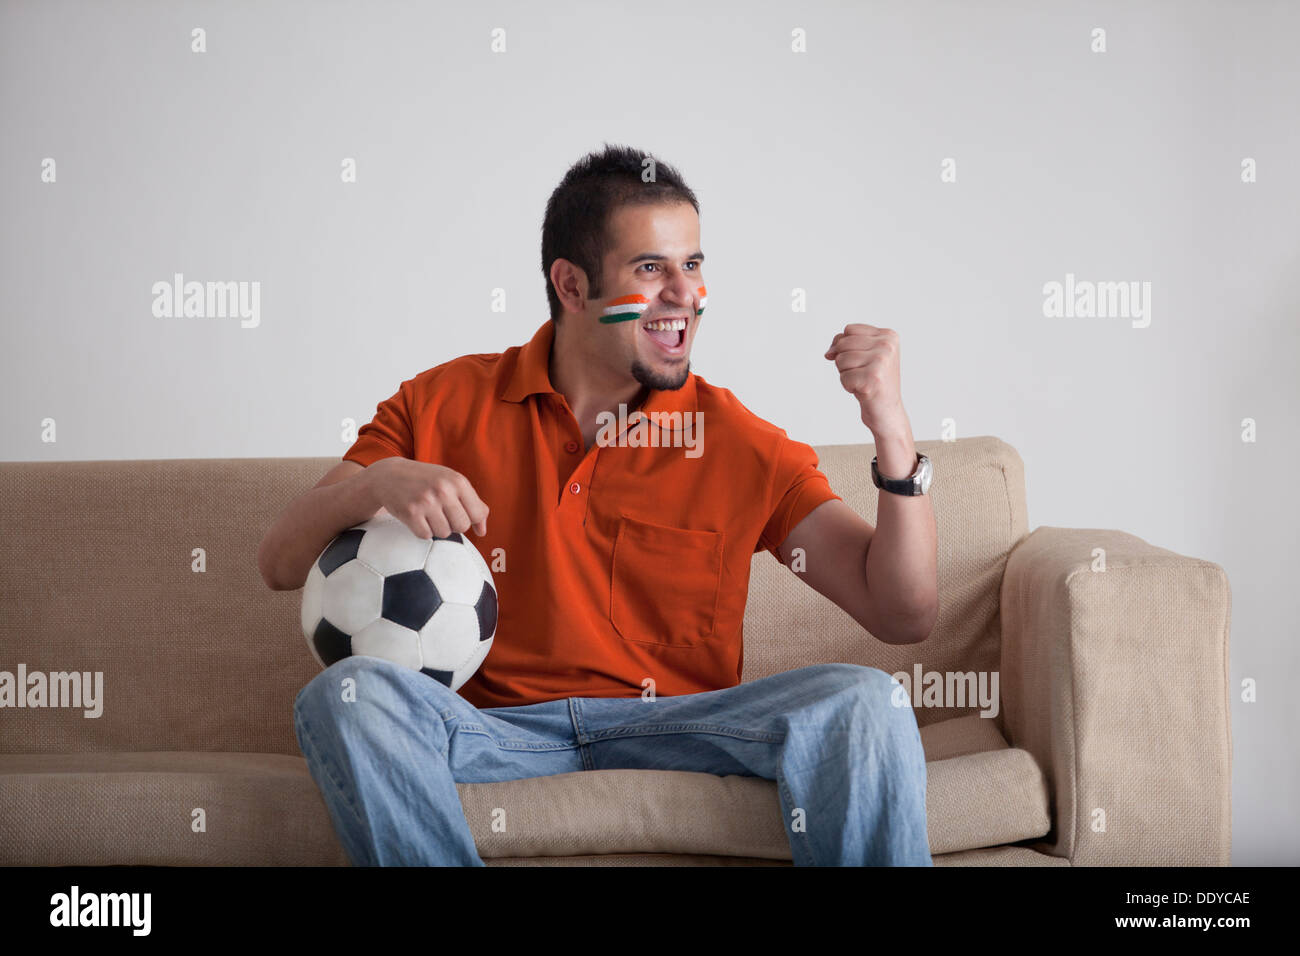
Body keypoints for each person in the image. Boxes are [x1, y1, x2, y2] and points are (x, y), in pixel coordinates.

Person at [258, 143, 939, 866]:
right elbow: (278, 562)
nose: (685, 293)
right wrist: (374, 482)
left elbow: (902, 614)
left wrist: (890, 427)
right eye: (651, 269)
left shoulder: (735, 439)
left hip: (681, 729)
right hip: (490, 734)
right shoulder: (440, 403)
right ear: (573, 286)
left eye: (694, 264)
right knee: (350, 694)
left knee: (865, 699)